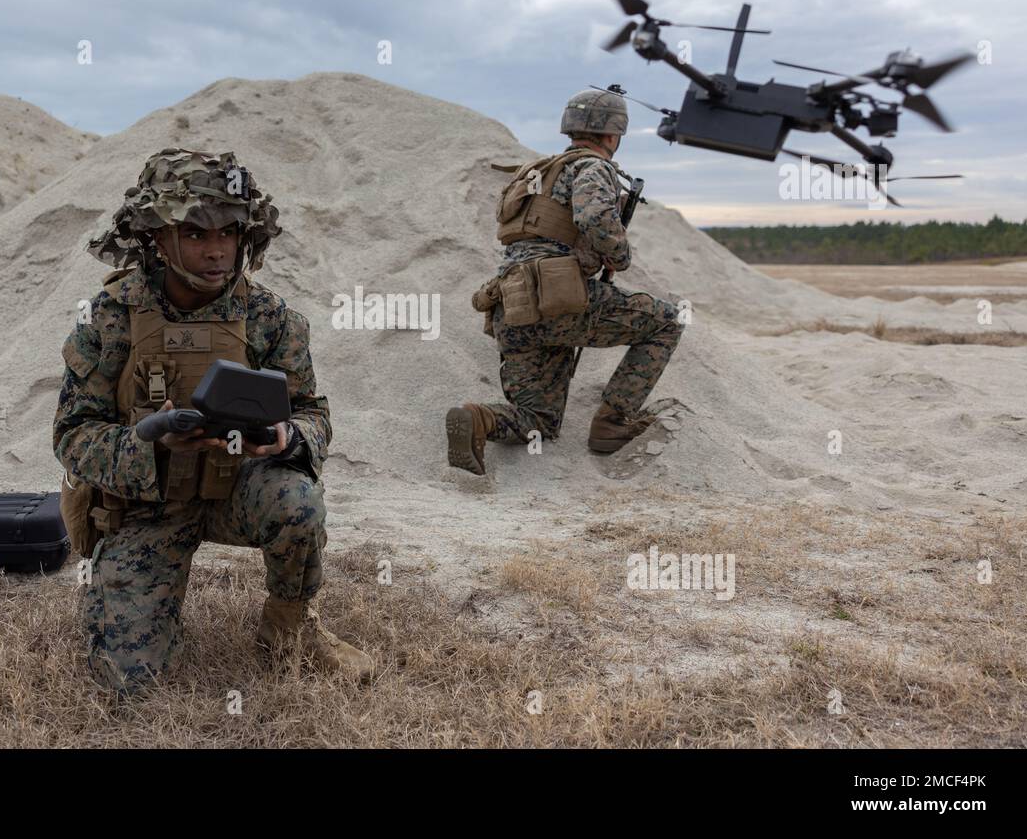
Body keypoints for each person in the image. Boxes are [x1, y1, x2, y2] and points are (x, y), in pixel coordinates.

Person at [54, 148, 373, 689]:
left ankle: (290, 628)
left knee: (297, 501)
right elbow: (72, 435)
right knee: (127, 680)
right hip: (146, 507)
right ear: (158, 237)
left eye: (229, 232)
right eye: (197, 235)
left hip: (236, 488)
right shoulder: (110, 318)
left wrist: (289, 438)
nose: (217, 250)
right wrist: (147, 443)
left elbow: (312, 411)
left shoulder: (269, 316)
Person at [448, 87, 683, 475]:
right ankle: (611, 424)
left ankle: (479, 419)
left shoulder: (538, 173)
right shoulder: (593, 167)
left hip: (513, 307)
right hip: (562, 300)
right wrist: (619, 255)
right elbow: (594, 218)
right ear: (613, 135)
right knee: (667, 321)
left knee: (537, 421)